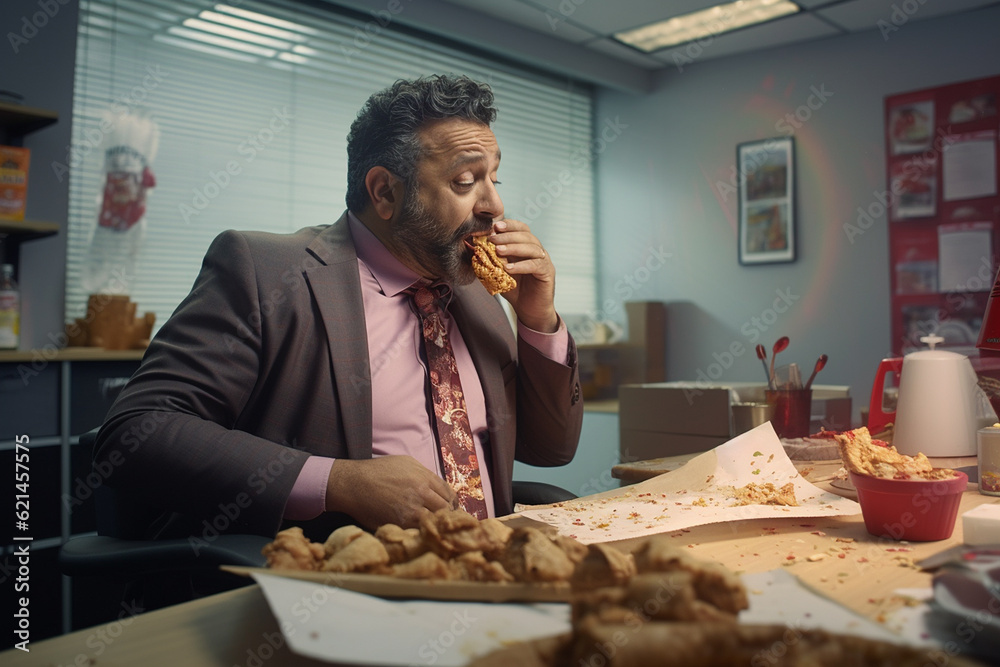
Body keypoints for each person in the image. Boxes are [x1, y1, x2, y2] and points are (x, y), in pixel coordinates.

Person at [94, 75, 584, 543]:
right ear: (385, 192)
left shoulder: (478, 293)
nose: (495, 205)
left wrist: (538, 320)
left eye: (494, 178)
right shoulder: (265, 272)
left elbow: (550, 450)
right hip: (343, 585)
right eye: (465, 181)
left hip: (489, 578)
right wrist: (338, 482)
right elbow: (137, 433)